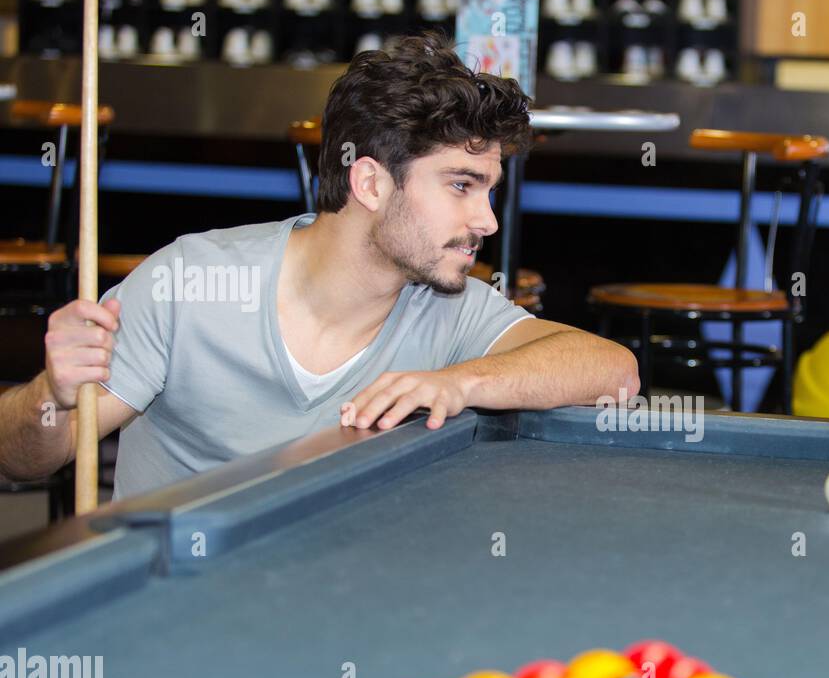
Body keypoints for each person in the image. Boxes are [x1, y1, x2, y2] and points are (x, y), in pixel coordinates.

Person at [0, 33, 638, 498]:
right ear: (370, 182)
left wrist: (461, 383)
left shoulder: (449, 305)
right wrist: (46, 399)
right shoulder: (190, 281)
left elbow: (614, 371)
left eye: (489, 190)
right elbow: (23, 459)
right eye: (461, 186)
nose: (487, 221)